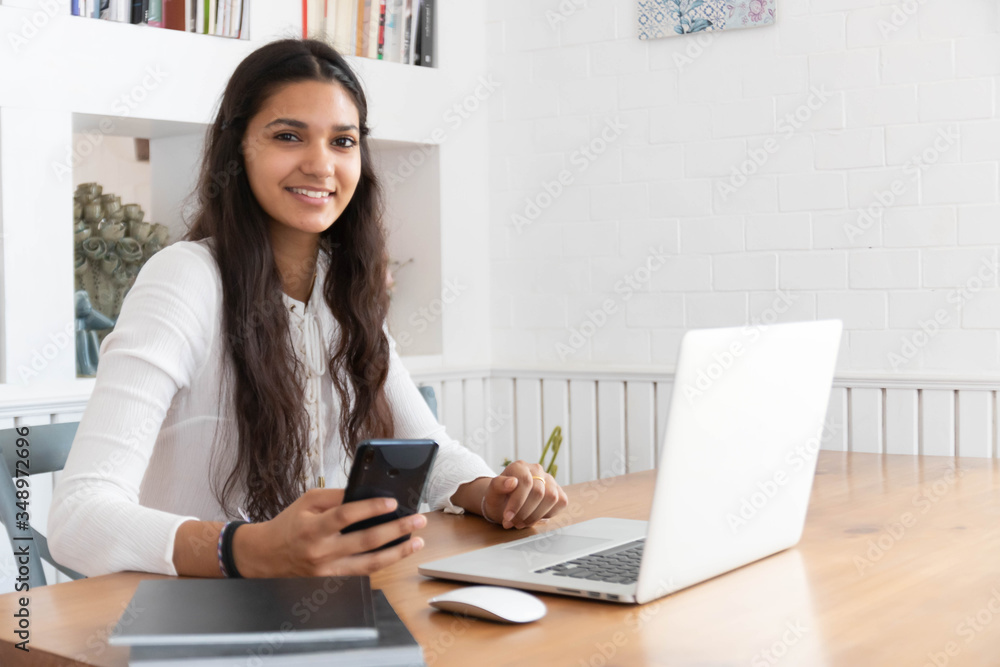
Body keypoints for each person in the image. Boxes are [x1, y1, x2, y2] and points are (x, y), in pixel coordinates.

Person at [49, 38, 568, 580]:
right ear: (238, 150)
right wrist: (247, 548)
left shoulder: (342, 287)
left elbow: (431, 454)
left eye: (342, 141)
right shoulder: (185, 278)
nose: (321, 165)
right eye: (288, 136)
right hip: (194, 622)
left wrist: (499, 493)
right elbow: (79, 517)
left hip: (308, 604)